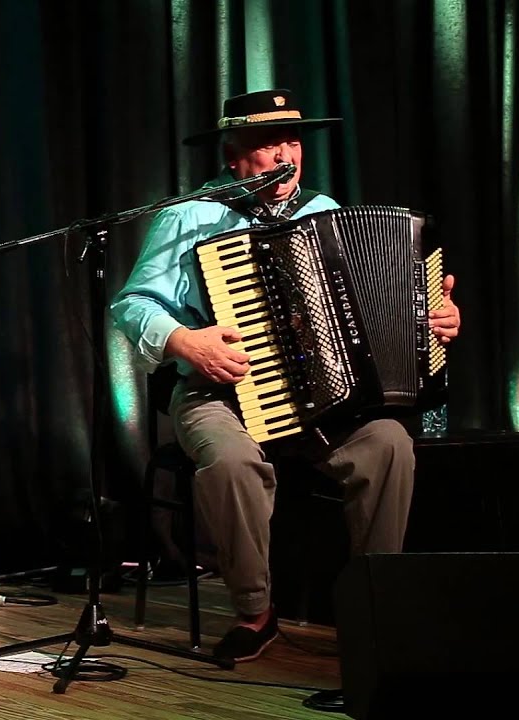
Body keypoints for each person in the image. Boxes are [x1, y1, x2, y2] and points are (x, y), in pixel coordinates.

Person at [109, 89, 461, 663]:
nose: (282, 154)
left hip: (324, 401)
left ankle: (373, 605)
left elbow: (392, 306)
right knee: (229, 461)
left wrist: (436, 317)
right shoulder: (188, 218)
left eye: (291, 141)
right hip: (217, 391)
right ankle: (255, 611)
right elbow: (132, 304)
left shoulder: (326, 215)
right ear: (232, 156)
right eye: (265, 143)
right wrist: (182, 339)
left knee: (389, 443)